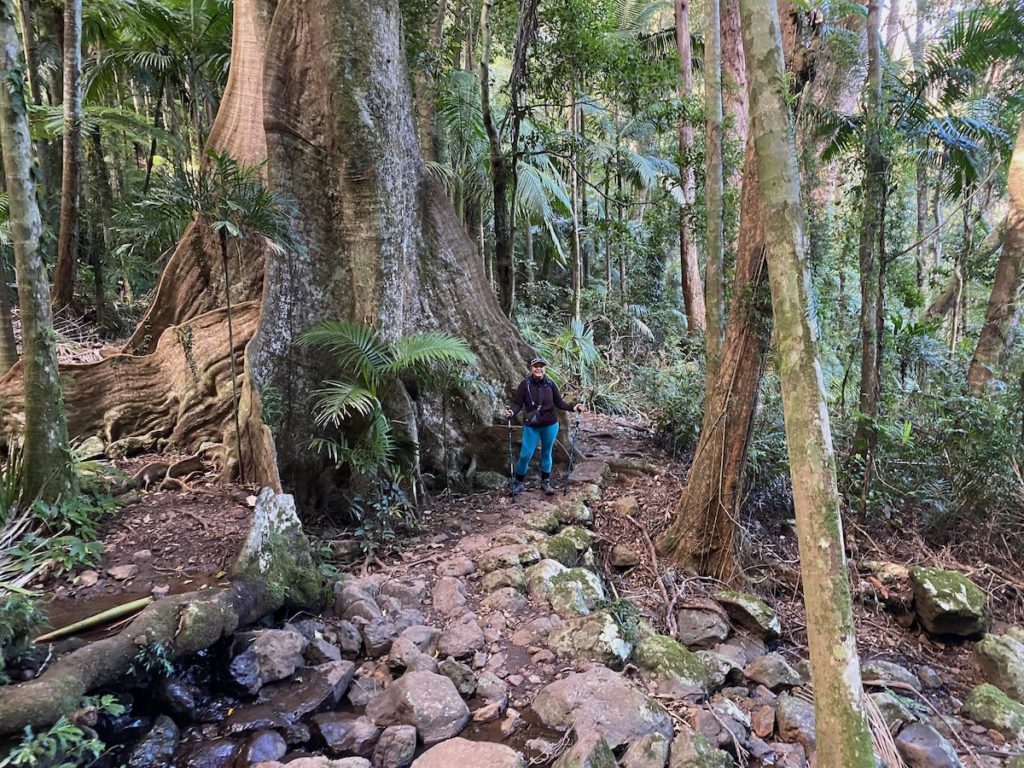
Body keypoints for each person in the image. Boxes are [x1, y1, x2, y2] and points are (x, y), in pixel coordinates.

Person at [505, 357, 584, 495]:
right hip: (532, 426)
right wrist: (511, 412)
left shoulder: (550, 384)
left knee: (546, 453)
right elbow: (518, 403)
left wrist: (573, 407)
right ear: (531, 368)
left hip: (550, 425)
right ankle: (519, 483)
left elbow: (560, 403)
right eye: (536, 366)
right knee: (525, 454)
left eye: (541, 366)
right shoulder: (525, 384)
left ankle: (545, 482)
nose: (539, 368)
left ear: (544, 369)